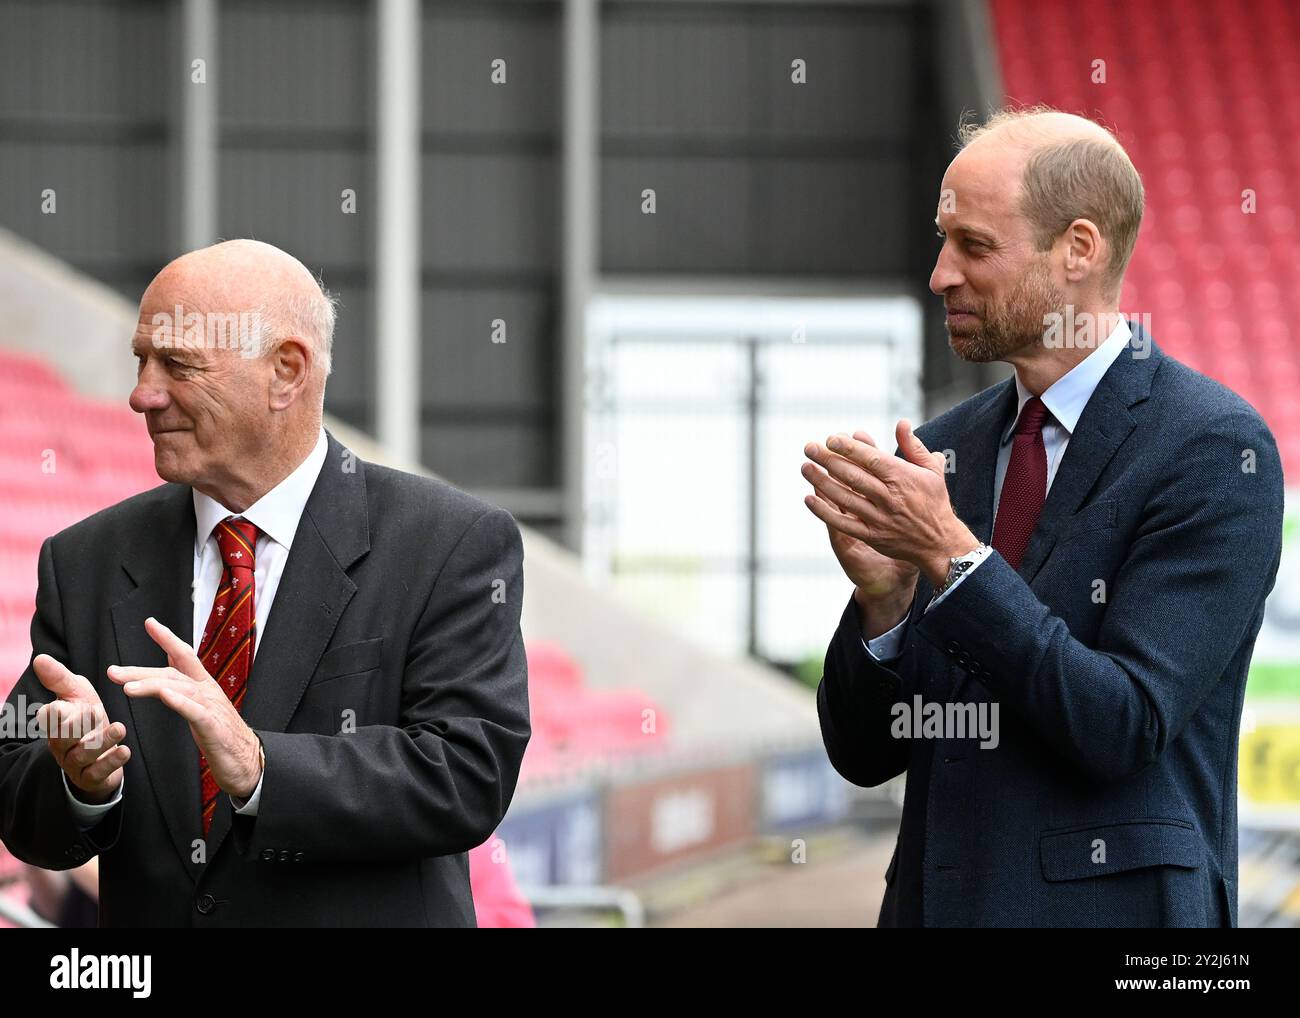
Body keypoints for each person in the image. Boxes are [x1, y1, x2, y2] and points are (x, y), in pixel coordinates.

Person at [804, 106, 1284, 927]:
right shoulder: (944, 448)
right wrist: (883, 608)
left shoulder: (1211, 449)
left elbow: (1121, 723)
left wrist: (954, 559)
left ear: (1080, 249)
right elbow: (865, 754)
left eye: (975, 246)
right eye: (943, 240)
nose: (940, 275)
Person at [0, 239, 530, 926]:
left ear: (286, 371)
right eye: (141, 360)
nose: (142, 395)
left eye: (178, 365)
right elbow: (17, 786)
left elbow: (466, 775)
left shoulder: (448, 544)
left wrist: (260, 768)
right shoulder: (86, 559)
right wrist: (79, 783)